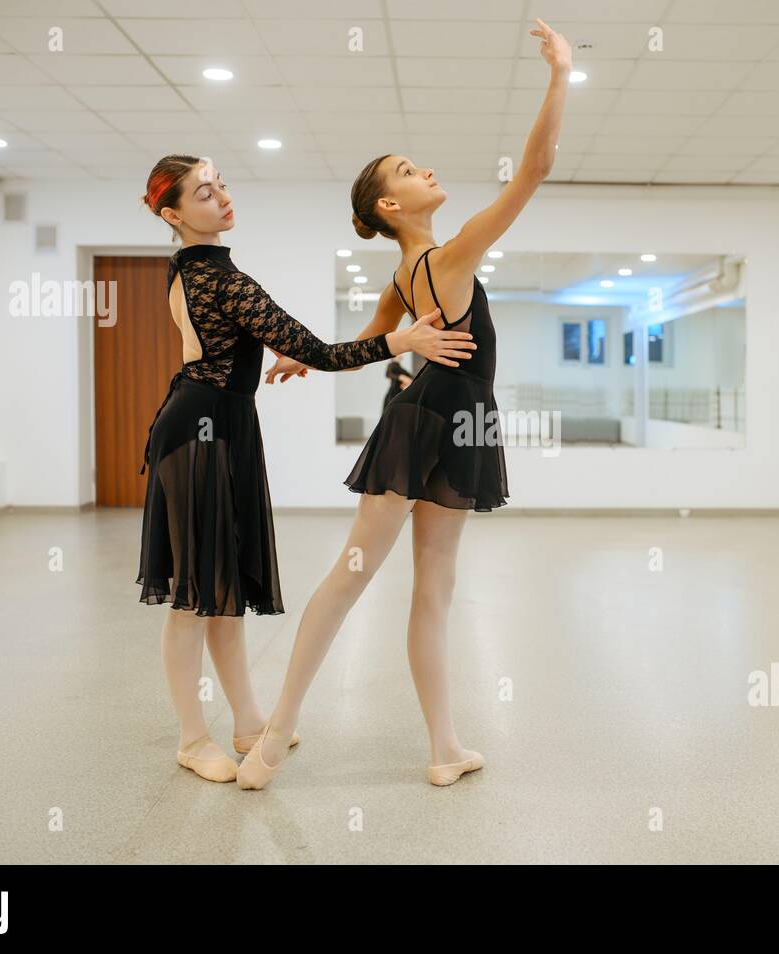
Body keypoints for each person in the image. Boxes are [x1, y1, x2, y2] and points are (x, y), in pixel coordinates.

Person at [242, 18, 570, 789]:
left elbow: (367, 343)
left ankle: (304, 739)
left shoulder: (403, 278)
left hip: (421, 419)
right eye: (408, 171)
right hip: (454, 423)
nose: (424, 171)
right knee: (427, 588)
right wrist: (559, 75)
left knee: (357, 575)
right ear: (390, 207)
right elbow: (536, 169)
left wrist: (303, 360)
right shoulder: (450, 256)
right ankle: (423, 747)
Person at [136, 154, 474, 783]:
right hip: (199, 431)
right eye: (204, 195)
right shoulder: (218, 279)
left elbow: (297, 350)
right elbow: (313, 347)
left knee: (223, 592)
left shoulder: (200, 269)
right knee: (192, 597)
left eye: (221, 186)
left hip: (223, 425)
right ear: (173, 214)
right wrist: (400, 342)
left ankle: (246, 721)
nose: (222, 199)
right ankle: (191, 737)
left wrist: (328, 355)